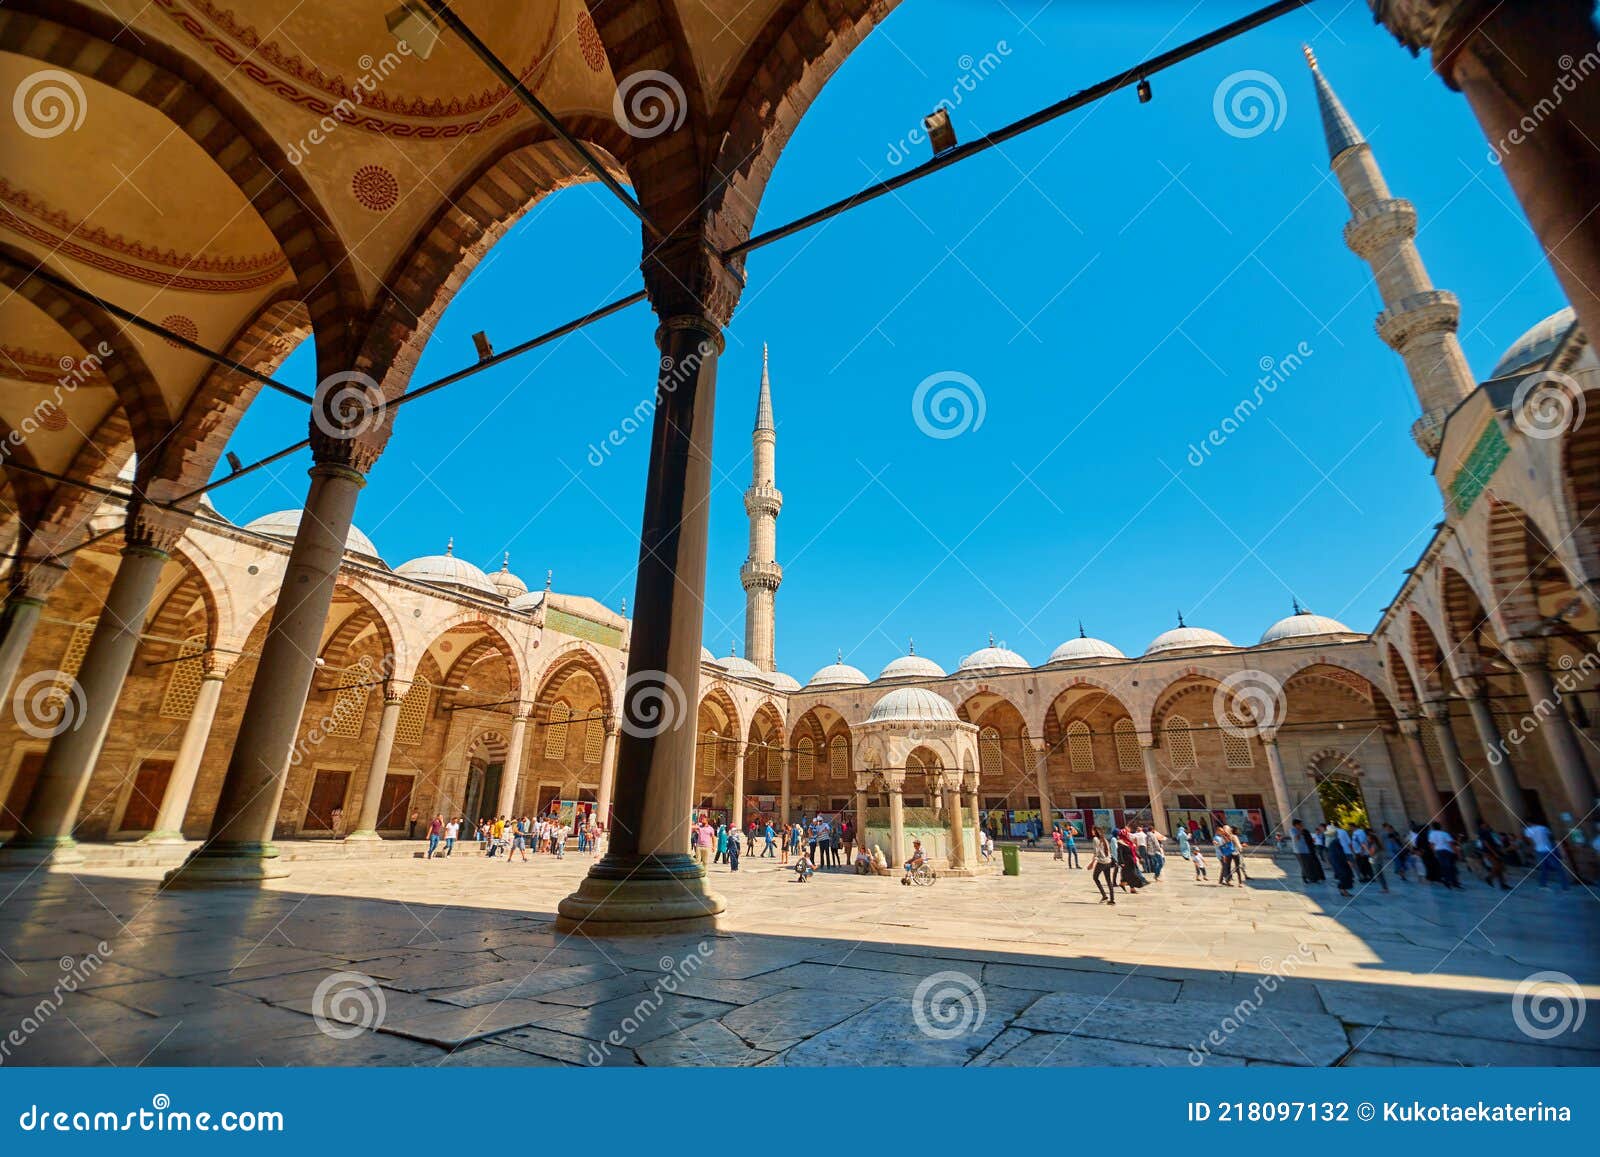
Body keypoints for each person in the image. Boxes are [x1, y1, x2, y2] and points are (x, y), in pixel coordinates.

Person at [1524, 820, 1569, 890]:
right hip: (1548, 849)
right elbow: (1550, 836)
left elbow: (1531, 841)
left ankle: (1542, 884)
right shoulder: (1543, 828)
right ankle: (1564, 885)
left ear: (1528, 823)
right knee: (1558, 867)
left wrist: (1533, 850)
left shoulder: (1528, 830)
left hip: (1539, 851)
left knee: (1544, 869)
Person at [1088, 826, 1116, 904]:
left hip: (1102, 862)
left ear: (1095, 831)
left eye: (1092, 830)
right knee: (1109, 880)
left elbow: (1096, 852)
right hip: (1108, 861)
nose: (1091, 832)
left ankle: (1104, 895)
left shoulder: (1095, 839)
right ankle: (1112, 899)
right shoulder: (1105, 839)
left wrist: (1092, 863)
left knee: (1095, 877)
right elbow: (1109, 850)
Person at [1428, 822, 1461, 889]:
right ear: (1440, 827)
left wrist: (1434, 853)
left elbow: (1431, 845)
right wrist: (1457, 852)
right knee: (1451, 867)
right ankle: (1454, 882)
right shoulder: (1445, 833)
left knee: (1444, 867)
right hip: (1448, 851)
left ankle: (1447, 881)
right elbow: (1451, 844)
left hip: (1439, 851)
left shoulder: (1431, 834)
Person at [1325, 823, 1355, 896]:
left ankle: (1343, 890)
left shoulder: (1331, 841)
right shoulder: (1334, 841)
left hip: (1337, 860)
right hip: (1339, 861)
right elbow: (1339, 852)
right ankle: (1343, 890)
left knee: (1343, 874)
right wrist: (1347, 860)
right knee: (1344, 874)